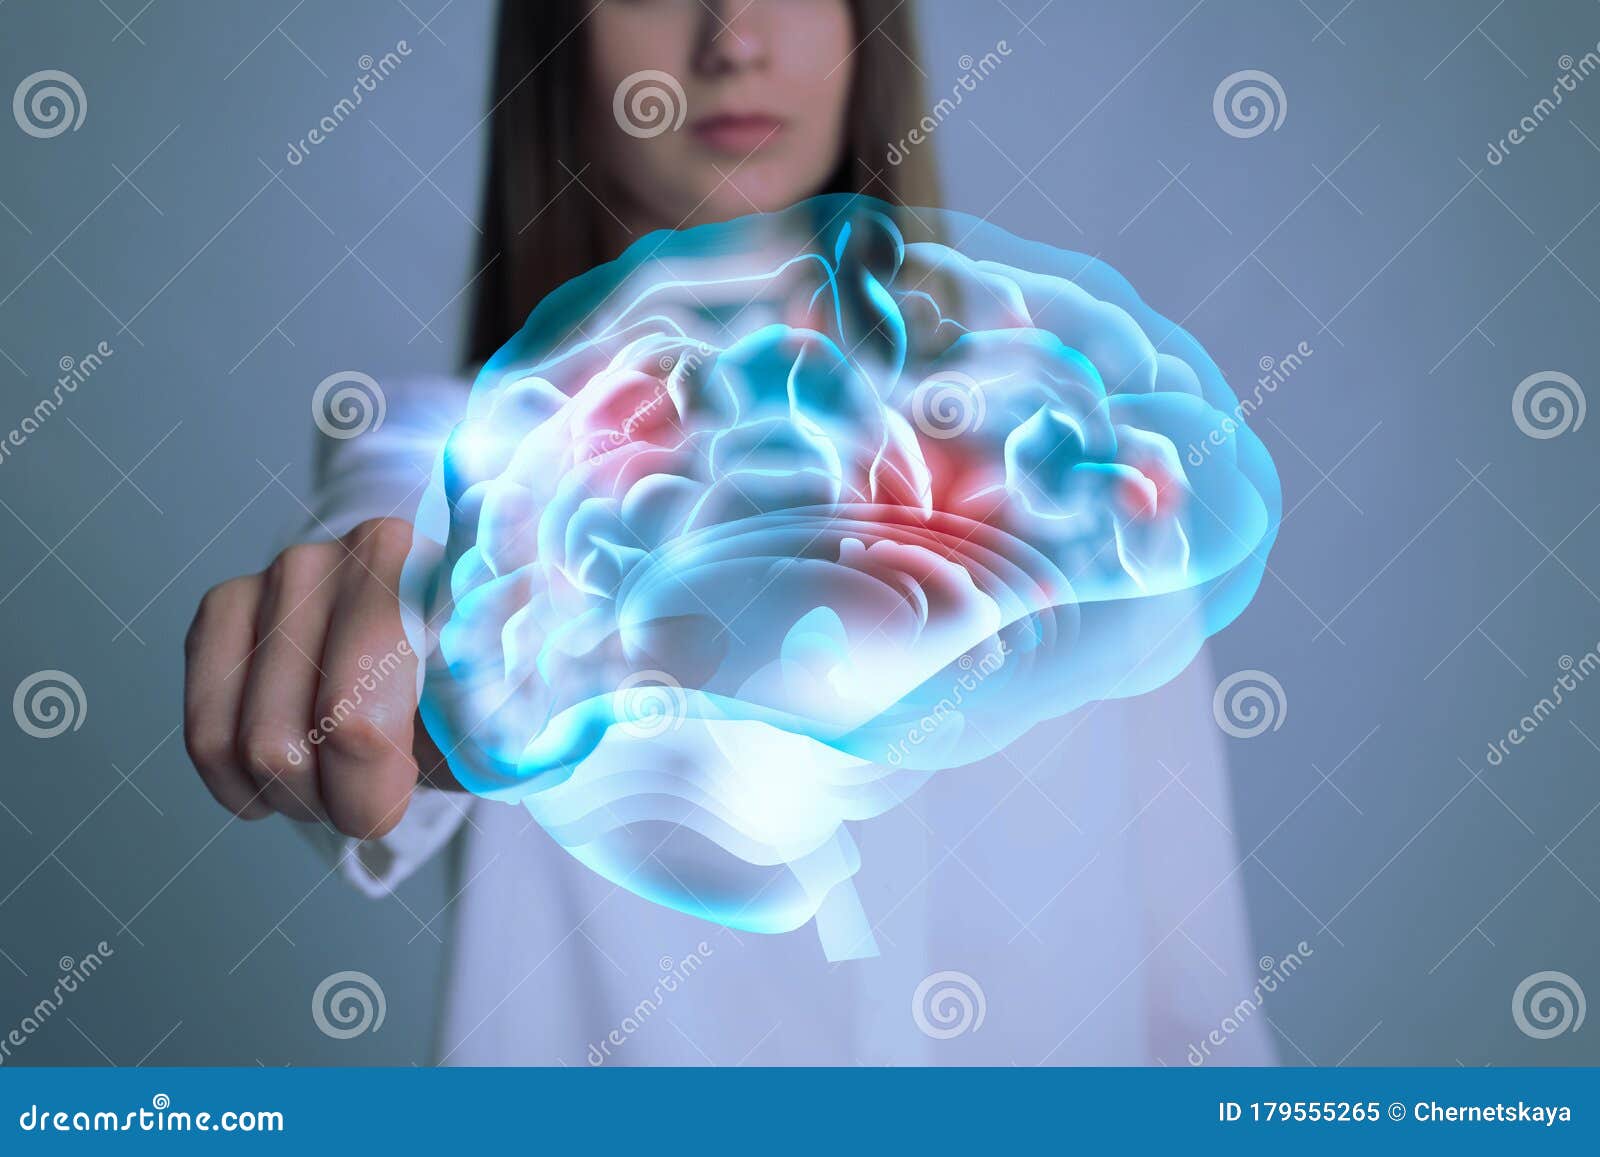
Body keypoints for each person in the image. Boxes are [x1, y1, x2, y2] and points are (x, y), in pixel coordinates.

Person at [182, 0, 1273, 1066]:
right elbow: (398, 534)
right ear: (556, 36)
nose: (732, 39)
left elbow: (1199, 1015)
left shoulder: (1075, 467)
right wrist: (362, 638)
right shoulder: (454, 449)